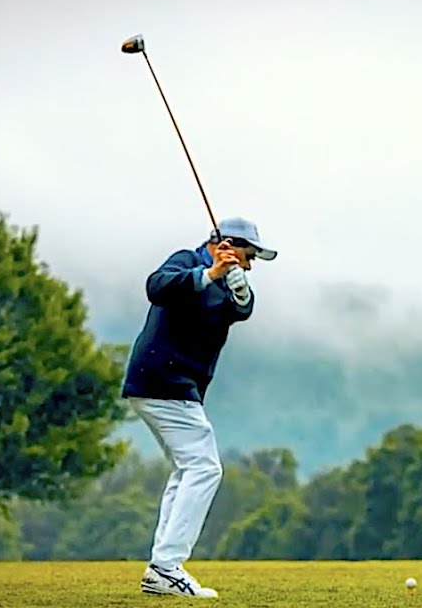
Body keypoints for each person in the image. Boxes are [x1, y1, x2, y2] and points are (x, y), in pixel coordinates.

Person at [122, 216, 277, 599]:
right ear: (226, 244)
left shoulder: (227, 282)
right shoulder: (186, 262)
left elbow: (240, 311)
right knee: (204, 468)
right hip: (162, 379)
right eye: (248, 254)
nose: (251, 264)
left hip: (170, 385)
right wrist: (210, 272)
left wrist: (239, 291)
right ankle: (167, 566)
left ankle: (162, 565)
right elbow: (156, 287)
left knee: (188, 468)